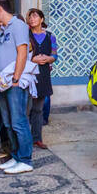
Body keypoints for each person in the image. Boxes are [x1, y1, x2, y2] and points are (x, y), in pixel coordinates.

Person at [0, 0, 35, 174]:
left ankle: (25, 159)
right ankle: (15, 156)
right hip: (1, 84)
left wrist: (16, 78)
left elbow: (22, 52)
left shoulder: (19, 26)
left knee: (19, 121)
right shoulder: (0, 31)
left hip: (14, 83)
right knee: (7, 123)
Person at [26, 8, 56, 148]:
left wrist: (48, 58)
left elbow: (54, 55)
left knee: (38, 108)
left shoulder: (50, 36)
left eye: (35, 16)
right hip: (28, 75)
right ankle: (24, 138)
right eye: (30, 17)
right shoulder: (25, 35)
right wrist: (33, 59)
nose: (32, 19)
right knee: (26, 109)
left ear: (41, 19)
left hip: (43, 75)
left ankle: (37, 138)